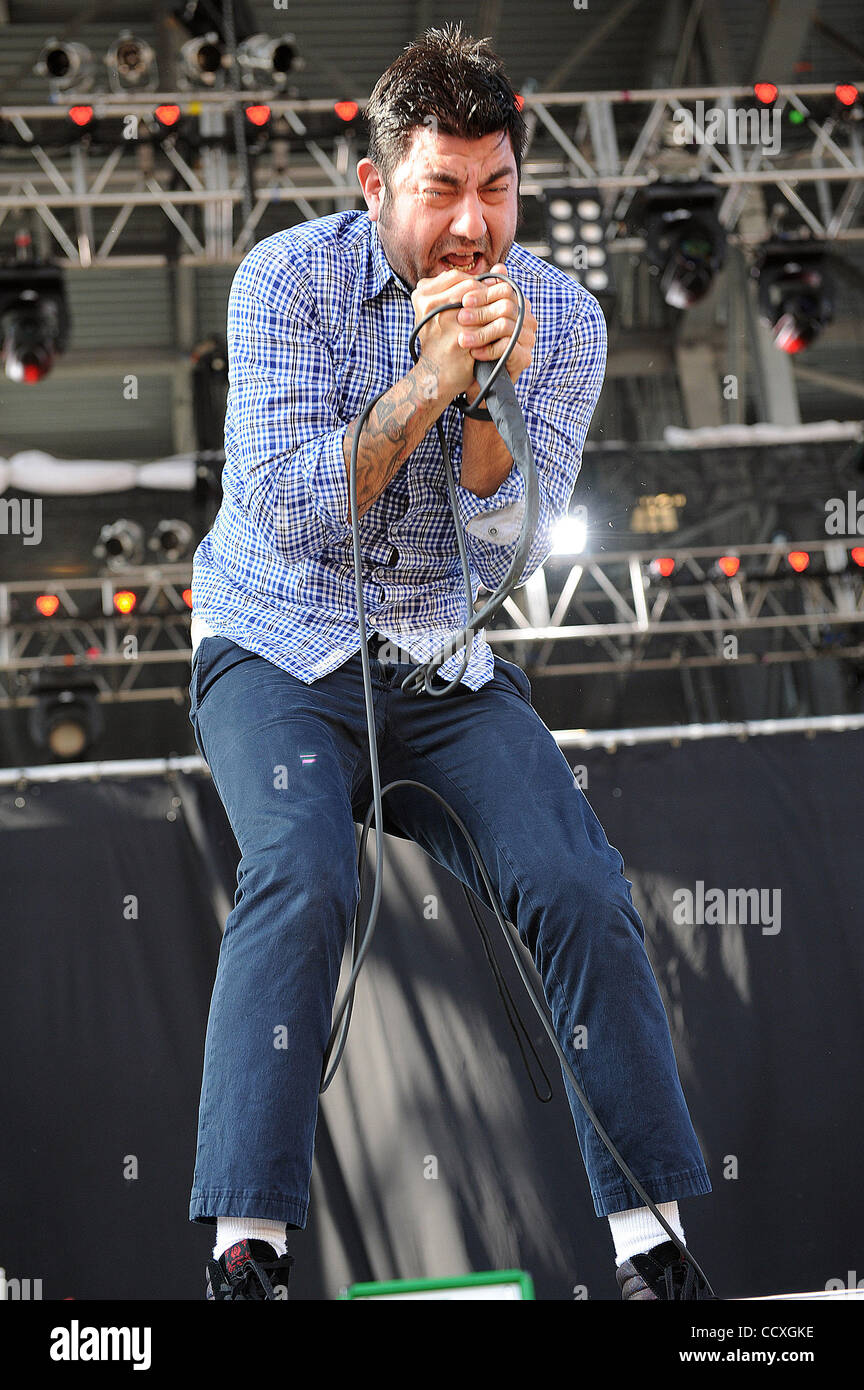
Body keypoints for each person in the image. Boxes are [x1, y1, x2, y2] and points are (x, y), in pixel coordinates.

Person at [188, 23, 714, 1302]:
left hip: (440, 658)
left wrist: (486, 398)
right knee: (302, 869)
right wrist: (428, 379)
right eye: (442, 189)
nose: (474, 226)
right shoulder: (285, 282)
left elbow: (505, 556)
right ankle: (248, 1247)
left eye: (498, 188)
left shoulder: (562, 320)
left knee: (576, 880)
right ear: (377, 184)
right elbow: (294, 514)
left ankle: (650, 1246)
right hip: (277, 641)